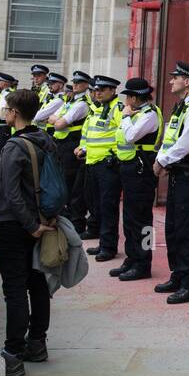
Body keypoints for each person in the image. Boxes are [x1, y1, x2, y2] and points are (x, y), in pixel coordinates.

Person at [0, 88, 57, 376]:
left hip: (16, 225)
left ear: (14, 113)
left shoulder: (14, 146)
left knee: (14, 288)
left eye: (5, 109)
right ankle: (36, 343)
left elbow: (10, 192)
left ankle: (11, 357)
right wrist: (42, 222)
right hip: (39, 221)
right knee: (37, 282)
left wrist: (30, 224)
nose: (2, 113)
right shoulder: (45, 139)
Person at [153, 62, 189, 305]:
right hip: (177, 172)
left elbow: (186, 144)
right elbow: (170, 140)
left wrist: (161, 162)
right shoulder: (181, 108)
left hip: (188, 173)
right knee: (173, 228)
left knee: (186, 230)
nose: (171, 81)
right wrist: (164, 161)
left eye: (175, 78)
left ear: (187, 81)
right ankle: (178, 275)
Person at [112, 77, 161, 281]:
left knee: (143, 220)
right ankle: (132, 259)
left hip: (142, 170)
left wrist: (124, 117)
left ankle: (144, 263)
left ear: (134, 97)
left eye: (128, 96)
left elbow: (131, 136)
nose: (126, 101)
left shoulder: (149, 115)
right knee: (131, 218)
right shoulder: (138, 113)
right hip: (131, 168)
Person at [78, 76, 122, 260]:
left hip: (107, 164)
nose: (98, 93)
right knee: (95, 204)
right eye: (96, 90)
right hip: (92, 162)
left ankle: (109, 247)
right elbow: (89, 133)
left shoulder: (117, 108)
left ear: (112, 90)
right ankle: (103, 243)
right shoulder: (96, 109)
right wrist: (83, 148)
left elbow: (123, 133)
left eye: (102, 90)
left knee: (108, 206)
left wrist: (113, 154)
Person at [53, 71, 92, 236]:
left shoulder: (82, 103)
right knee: (63, 183)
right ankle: (66, 219)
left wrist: (58, 121)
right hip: (63, 146)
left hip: (72, 147)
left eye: (78, 82)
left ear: (86, 85)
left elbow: (59, 123)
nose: (75, 85)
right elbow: (52, 119)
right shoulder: (71, 100)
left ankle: (75, 222)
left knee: (72, 187)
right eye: (74, 82)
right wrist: (58, 121)